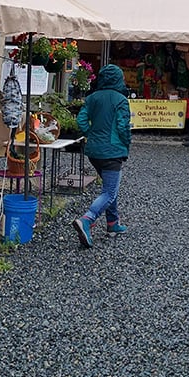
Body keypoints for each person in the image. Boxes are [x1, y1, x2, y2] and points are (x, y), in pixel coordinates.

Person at [72, 64, 132, 248]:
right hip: (113, 150)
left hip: (94, 151)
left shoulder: (92, 98)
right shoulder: (121, 99)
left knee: (109, 187)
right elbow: (122, 127)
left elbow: (81, 120)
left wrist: (91, 133)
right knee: (110, 191)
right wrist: (126, 143)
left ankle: (112, 223)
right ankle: (87, 219)